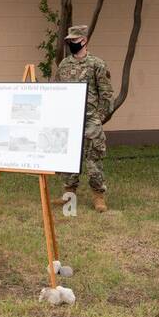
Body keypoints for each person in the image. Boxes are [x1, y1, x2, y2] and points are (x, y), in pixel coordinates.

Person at [52, 24, 114, 212]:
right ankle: (68, 195)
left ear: (84, 40)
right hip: (69, 120)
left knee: (94, 159)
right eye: (69, 41)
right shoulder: (64, 64)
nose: (71, 43)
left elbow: (106, 94)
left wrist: (99, 118)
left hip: (90, 120)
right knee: (69, 159)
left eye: (74, 40)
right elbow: (57, 90)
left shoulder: (97, 64)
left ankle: (98, 197)